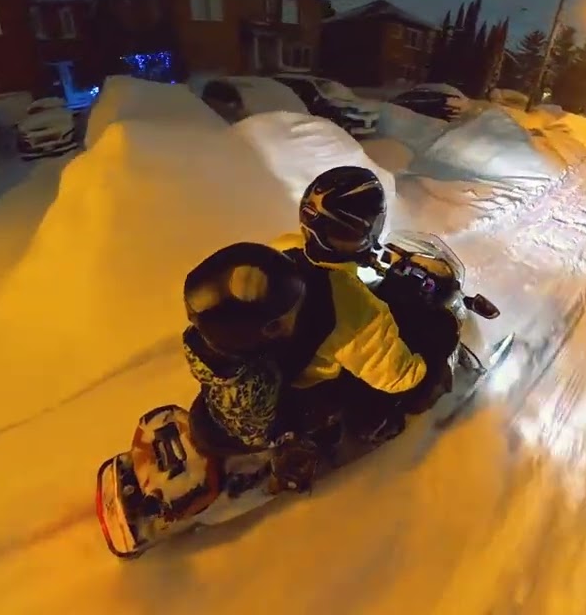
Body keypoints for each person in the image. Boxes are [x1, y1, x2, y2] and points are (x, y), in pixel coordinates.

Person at [182, 166, 455, 495]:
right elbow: (401, 377)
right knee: (405, 379)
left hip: (271, 373)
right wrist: (433, 359)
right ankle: (361, 429)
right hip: (300, 400)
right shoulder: (356, 311)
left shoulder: (282, 254)